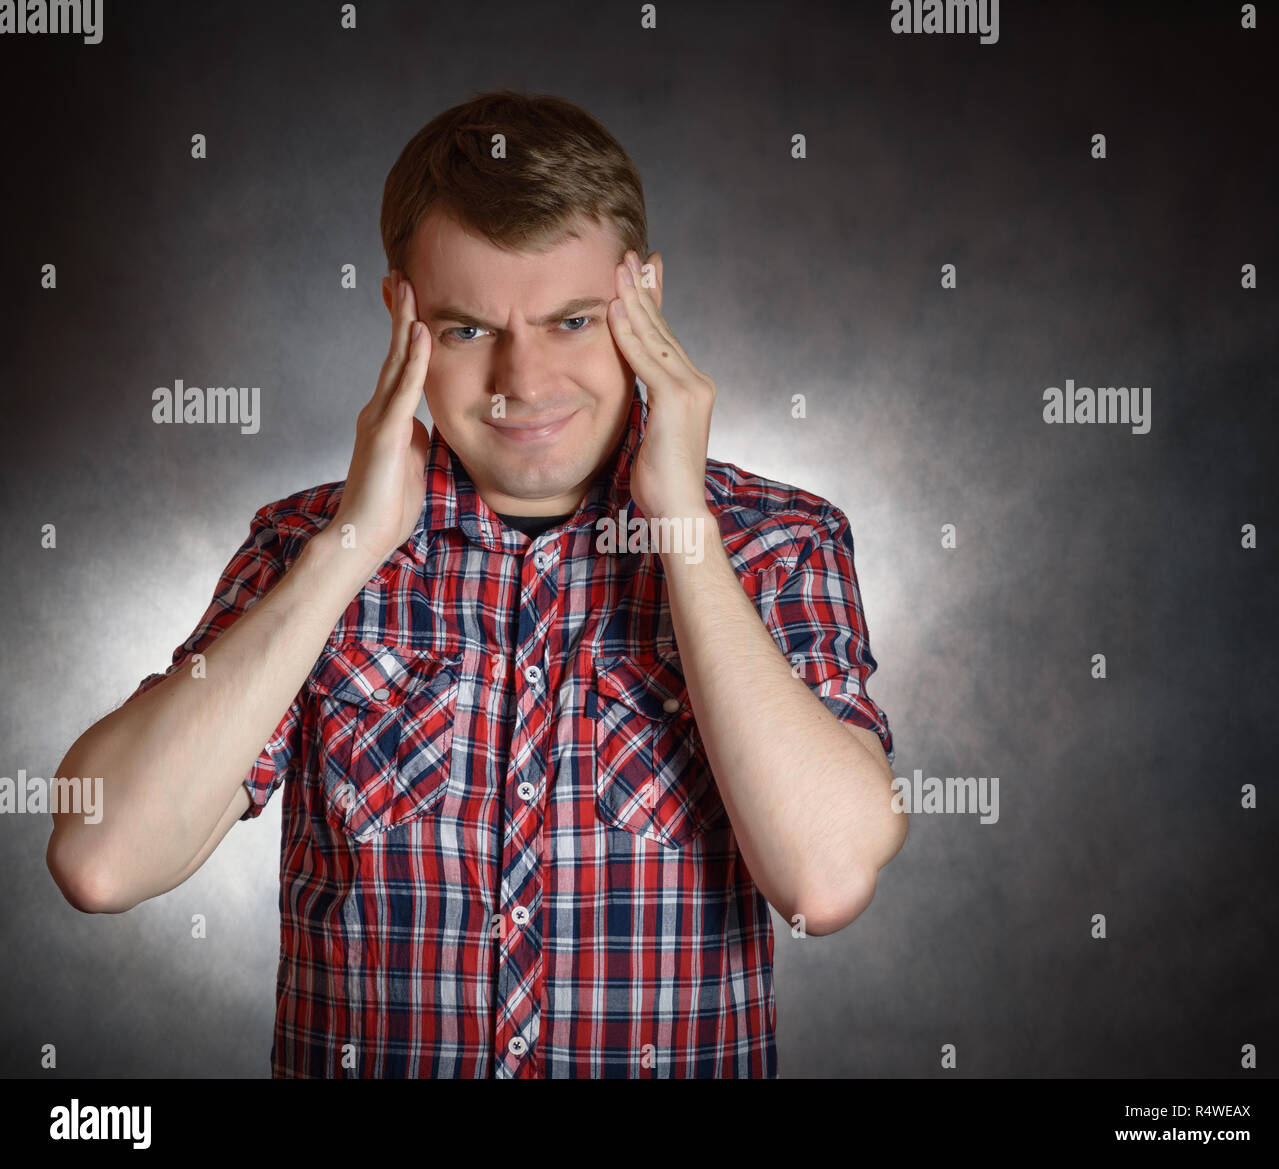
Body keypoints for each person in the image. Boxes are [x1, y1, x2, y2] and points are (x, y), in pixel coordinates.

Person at [45, 89, 904, 1078]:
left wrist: (684, 535)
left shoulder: (777, 543)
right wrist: (345, 550)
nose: (523, 380)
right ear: (399, 312)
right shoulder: (303, 546)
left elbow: (825, 878)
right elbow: (101, 858)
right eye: (464, 330)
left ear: (646, 298)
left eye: (573, 319)